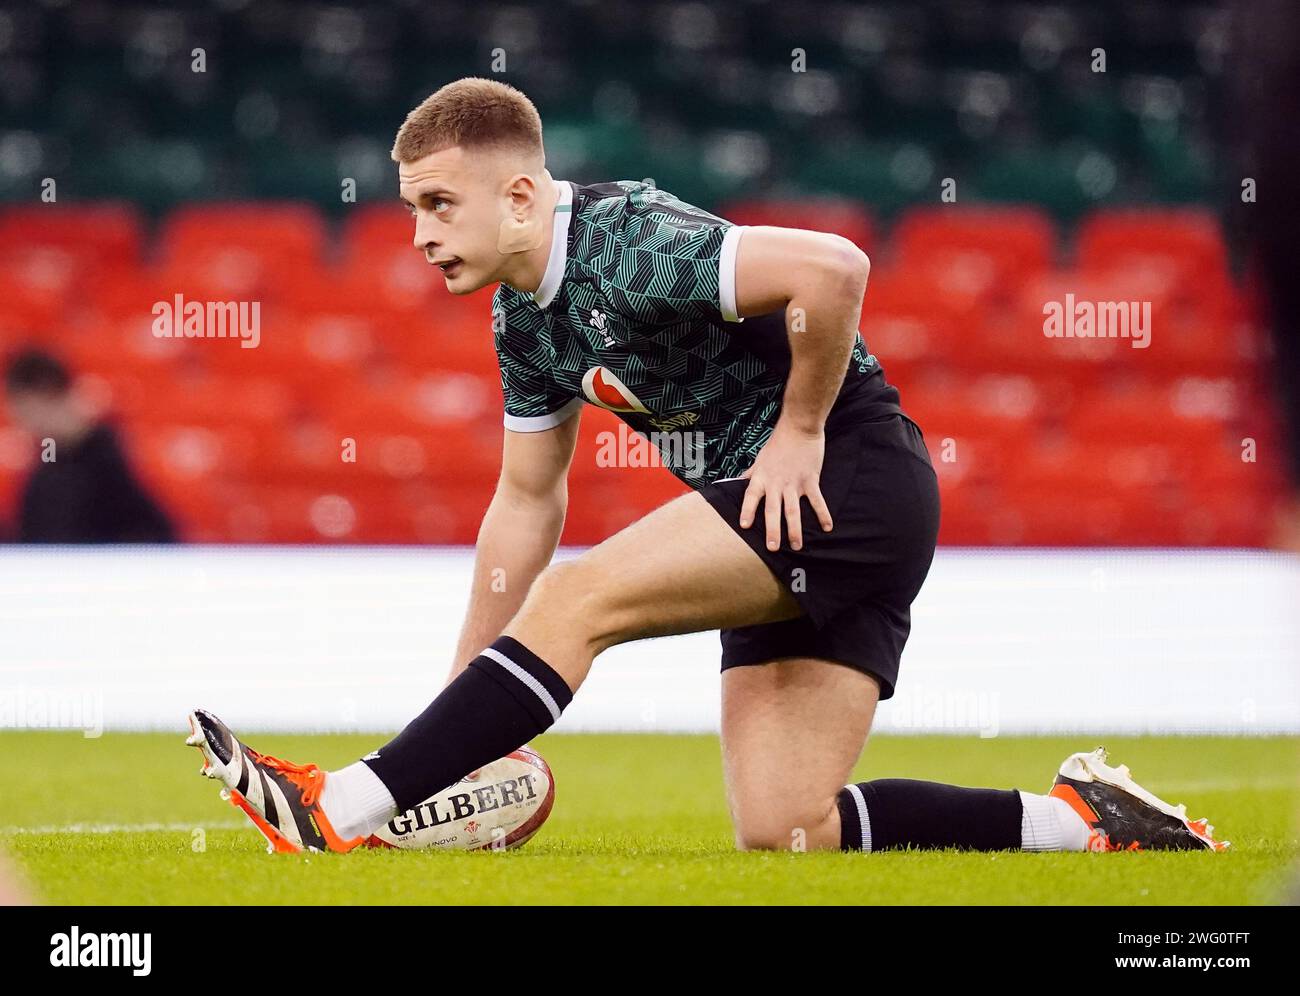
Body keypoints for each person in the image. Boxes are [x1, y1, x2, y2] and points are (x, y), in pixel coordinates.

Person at [188, 77, 1226, 856]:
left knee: (578, 598)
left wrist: (800, 430)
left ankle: (334, 810)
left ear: (516, 194)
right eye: (411, 209)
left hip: (843, 481)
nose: (417, 235)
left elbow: (833, 268)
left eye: (437, 205)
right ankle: (1081, 822)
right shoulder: (520, 317)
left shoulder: (628, 239)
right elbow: (525, 497)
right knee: (785, 828)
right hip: (776, 522)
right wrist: (465, 699)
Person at [3, 349, 176, 544]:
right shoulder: (49, 451)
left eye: (24, 409)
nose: (19, 420)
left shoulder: (105, 455)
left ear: (44, 394)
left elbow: (146, 528)